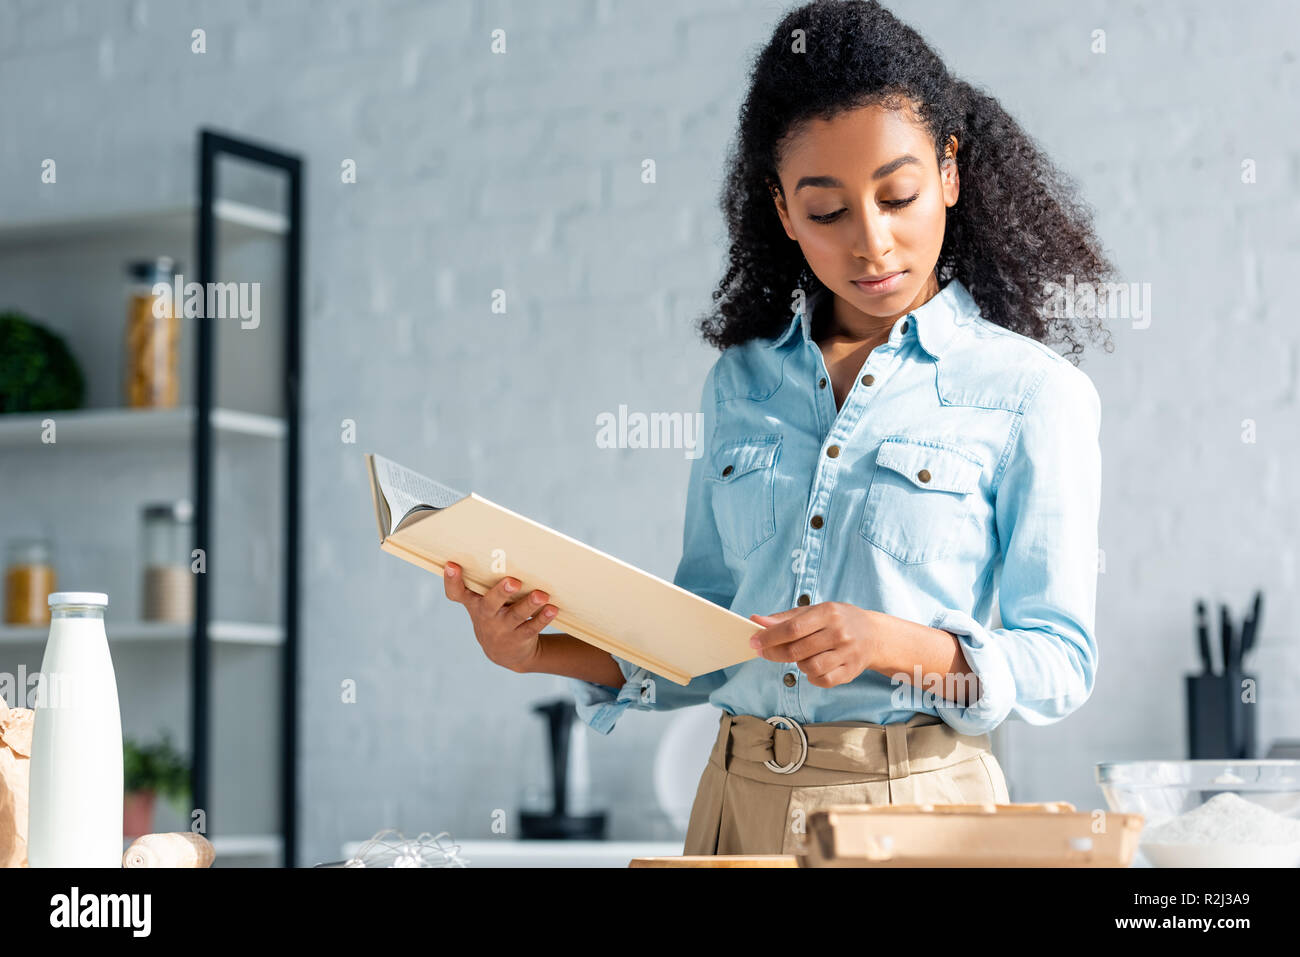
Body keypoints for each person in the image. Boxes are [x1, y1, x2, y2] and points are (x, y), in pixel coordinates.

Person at [442, 0, 1115, 855]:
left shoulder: (1031, 393)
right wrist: (537, 650)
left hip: (917, 814)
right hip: (734, 807)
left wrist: (890, 644)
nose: (873, 243)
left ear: (949, 171)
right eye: (827, 211)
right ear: (784, 210)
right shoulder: (740, 384)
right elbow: (706, 636)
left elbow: (1059, 662)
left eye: (899, 194)